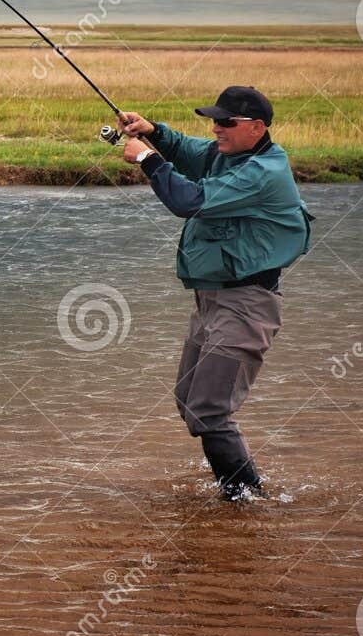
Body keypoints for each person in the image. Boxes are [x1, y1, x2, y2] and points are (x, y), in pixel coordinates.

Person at [116, 86, 313, 501]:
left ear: (257, 128)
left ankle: (246, 501)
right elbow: (194, 152)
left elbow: (188, 200)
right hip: (211, 301)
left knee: (209, 411)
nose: (216, 128)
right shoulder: (233, 155)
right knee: (189, 402)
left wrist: (147, 158)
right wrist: (155, 132)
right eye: (215, 119)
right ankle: (236, 494)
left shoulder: (263, 172)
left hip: (246, 304)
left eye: (227, 122)